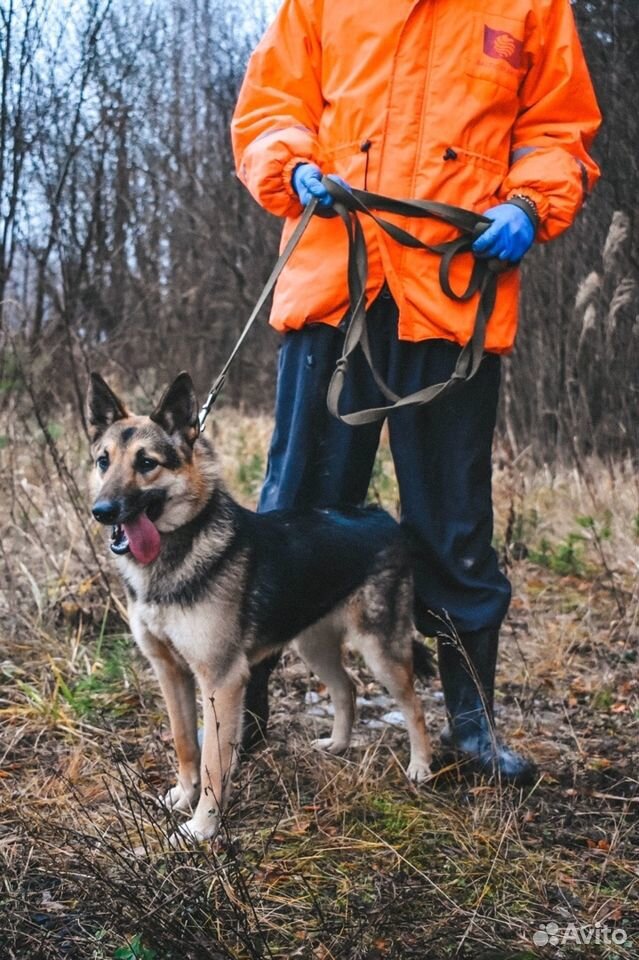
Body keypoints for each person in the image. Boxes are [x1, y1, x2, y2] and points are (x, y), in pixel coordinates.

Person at [231, 0, 601, 782]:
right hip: (336, 285)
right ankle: (243, 711)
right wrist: (293, 167)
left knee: (455, 519)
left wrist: (528, 204)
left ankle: (471, 729)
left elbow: (558, 131)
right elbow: (271, 107)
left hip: (455, 296)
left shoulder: (534, 6)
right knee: (292, 508)